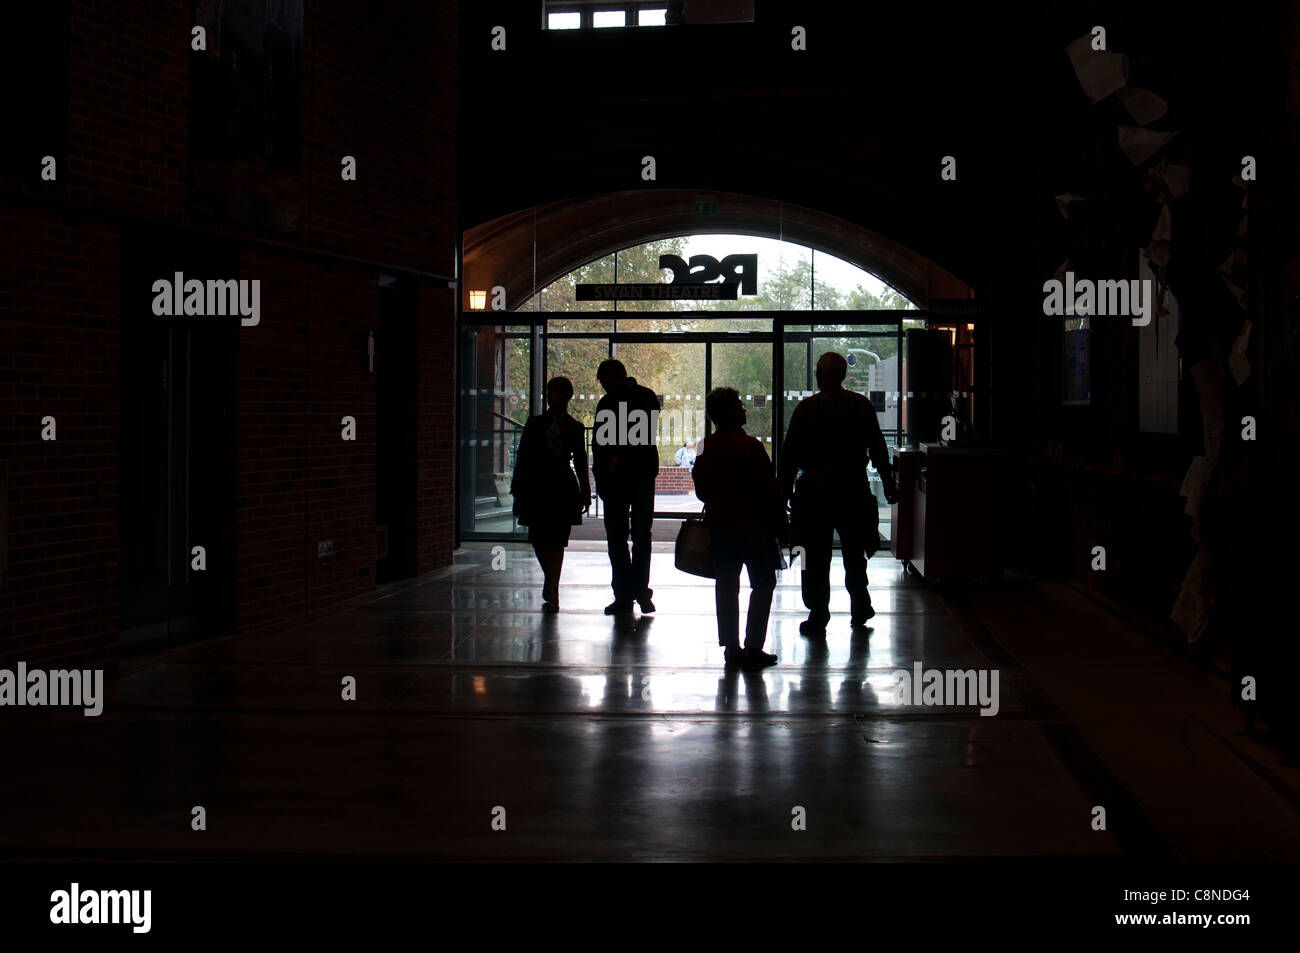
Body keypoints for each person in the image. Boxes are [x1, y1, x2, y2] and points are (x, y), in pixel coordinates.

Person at [779, 352, 898, 637]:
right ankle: (860, 605)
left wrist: (781, 495)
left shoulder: (807, 409)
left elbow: (789, 456)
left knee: (813, 558)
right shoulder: (861, 406)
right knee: (854, 554)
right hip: (852, 491)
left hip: (814, 496)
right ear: (843, 375)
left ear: (820, 375)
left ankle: (818, 613)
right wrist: (889, 484)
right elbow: (878, 449)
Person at [693, 388, 784, 668]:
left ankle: (731, 647)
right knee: (763, 583)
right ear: (731, 412)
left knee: (727, 585)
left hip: (721, 526)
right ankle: (754, 645)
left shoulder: (704, 446)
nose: (744, 409)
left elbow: (701, 491)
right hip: (754, 527)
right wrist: (782, 526)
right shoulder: (752, 447)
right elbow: (770, 491)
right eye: (740, 405)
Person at [510, 377, 591, 613]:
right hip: (547, 485)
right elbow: (523, 456)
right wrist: (518, 485)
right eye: (550, 392)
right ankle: (551, 581)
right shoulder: (549, 425)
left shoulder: (554, 426)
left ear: (566, 396)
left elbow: (581, 460)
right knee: (543, 538)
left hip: (550, 486)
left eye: (555, 393)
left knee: (552, 539)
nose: (552, 397)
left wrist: (585, 491)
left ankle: (552, 583)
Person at [592, 359, 660, 615]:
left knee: (618, 539)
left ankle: (625, 594)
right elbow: (641, 434)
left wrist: (608, 465)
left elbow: (600, 444)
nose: (606, 387)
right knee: (641, 536)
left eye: (607, 382)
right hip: (639, 476)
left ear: (619, 377)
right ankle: (639, 591)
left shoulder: (608, 403)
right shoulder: (645, 397)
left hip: (618, 479)